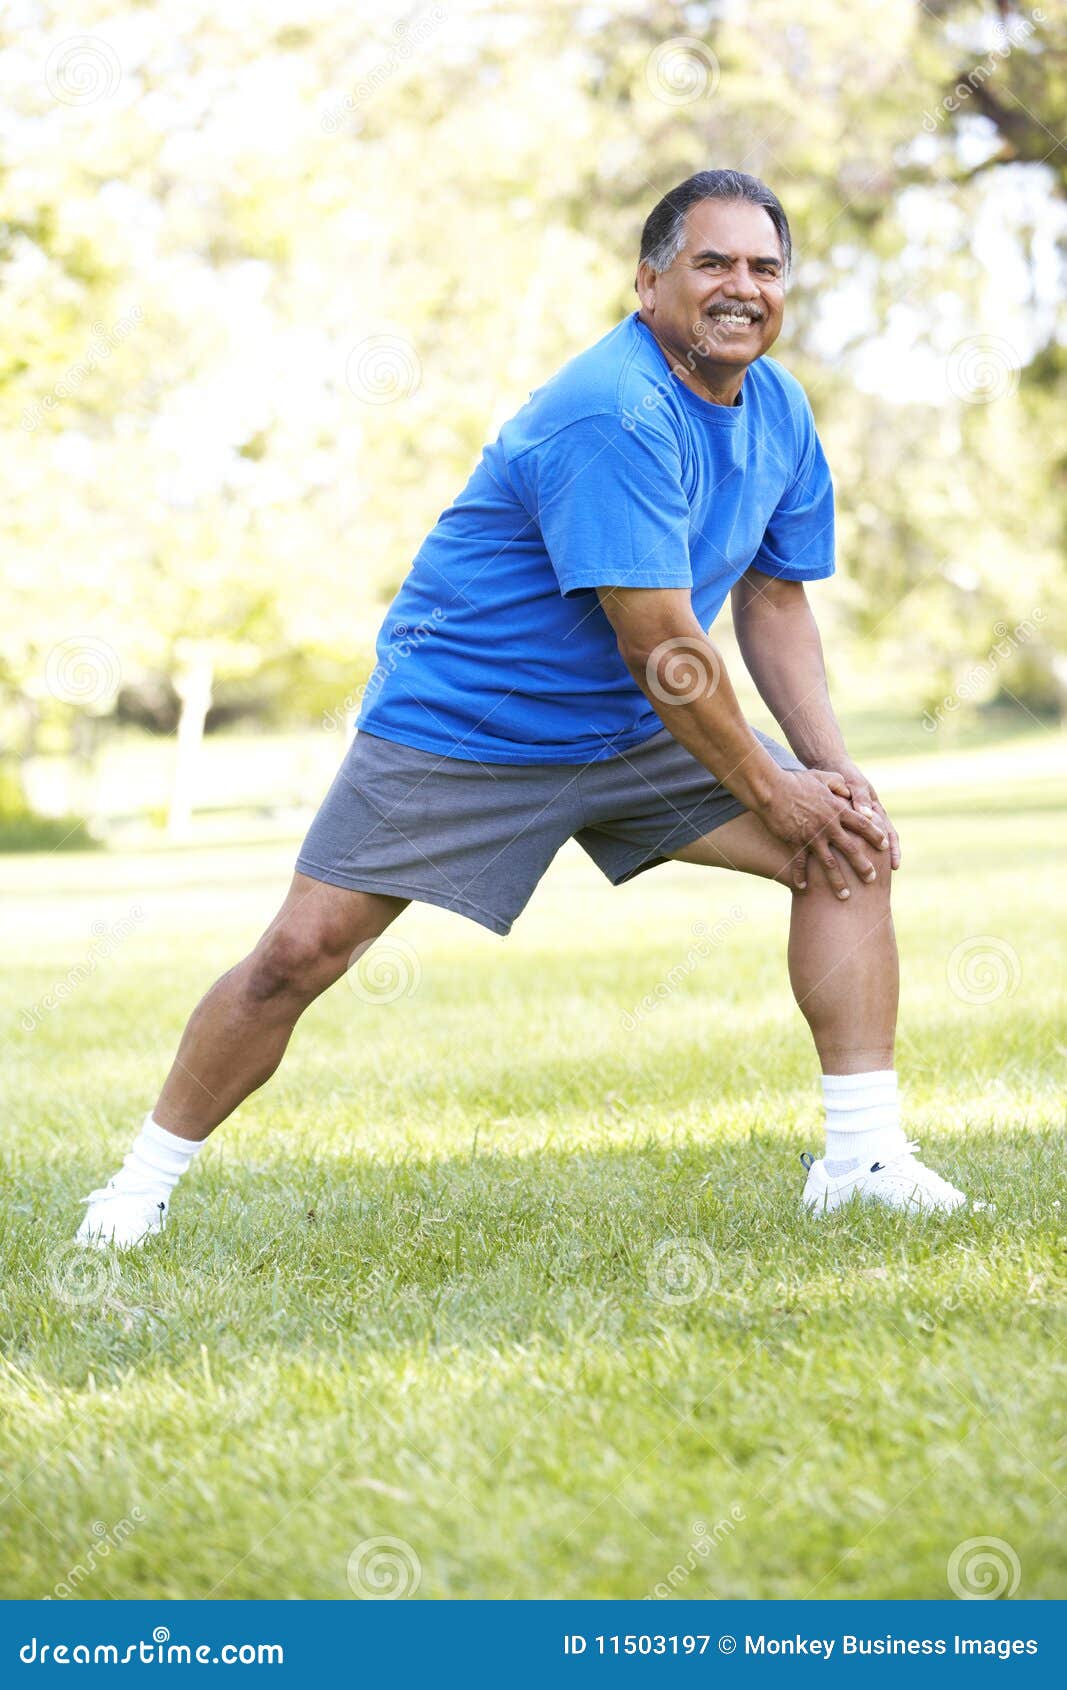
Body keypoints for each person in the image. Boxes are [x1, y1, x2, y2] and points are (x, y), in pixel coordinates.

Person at [76, 168, 968, 1249]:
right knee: (298, 953)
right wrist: (770, 788)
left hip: (637, 725)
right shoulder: (612, 410)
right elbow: (664, 649)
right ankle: (133, 1191)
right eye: (711, 263)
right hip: (471, 723)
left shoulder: (776, 408)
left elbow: (773, 598)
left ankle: (861, 1159)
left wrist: (828, 774)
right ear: (647, 285)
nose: (741, 287)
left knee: (845, 844)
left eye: (763, 267)